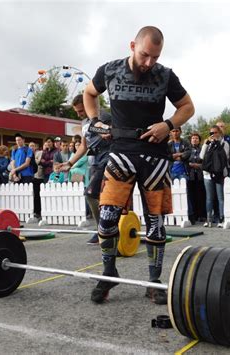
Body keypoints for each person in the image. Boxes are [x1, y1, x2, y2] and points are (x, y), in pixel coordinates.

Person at [83, 26, 194, 304]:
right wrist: (95, 121)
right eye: (145, 55)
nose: (149, 63)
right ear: (132, 45)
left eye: (155, 57)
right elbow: (89, 94)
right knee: (107, 220)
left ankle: (154, 282)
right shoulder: (109, 70)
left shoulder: (165, 75)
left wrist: (167, 125)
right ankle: (109, 274)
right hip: (120, 153)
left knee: (156, 224)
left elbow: (188, 107)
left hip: (155, 158)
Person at [61, 94, 112, 245]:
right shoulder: (84, 122)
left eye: (81, 110)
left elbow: (114, 135)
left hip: (108, 157)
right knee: (95, 196)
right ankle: (102, 230)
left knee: (92, 194)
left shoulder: (104, 116)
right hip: (94, 162)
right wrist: (69, 163)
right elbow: (83, 146)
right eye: (77, 111)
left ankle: (103, 229)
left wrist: (108, 133)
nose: (79, 114)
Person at [200, 126, 230, 227]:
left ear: (219, 133)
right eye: (211, 133)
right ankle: (209, 219)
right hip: (208, 174)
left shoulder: (224, 143)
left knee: (220, 197)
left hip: (219, 173)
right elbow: (201, 156)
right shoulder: (208, 144)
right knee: (209, 197)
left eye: (215, 132)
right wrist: (205, 144)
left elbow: (225, 156)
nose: (213, 135)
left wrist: (217, 143)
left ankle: (222, 218)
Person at [186, 133, 206, 224]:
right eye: (193, 138)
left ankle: (202, 215)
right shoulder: (187, 149)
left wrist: (196, 165)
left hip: (200, 175)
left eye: (196, 138)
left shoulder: (202, 149)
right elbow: (185, 160)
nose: (194, 140)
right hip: (190, 176)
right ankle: (194, 215)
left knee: (201, 196)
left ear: (199, 140)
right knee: (191, 196)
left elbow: (205, 162)